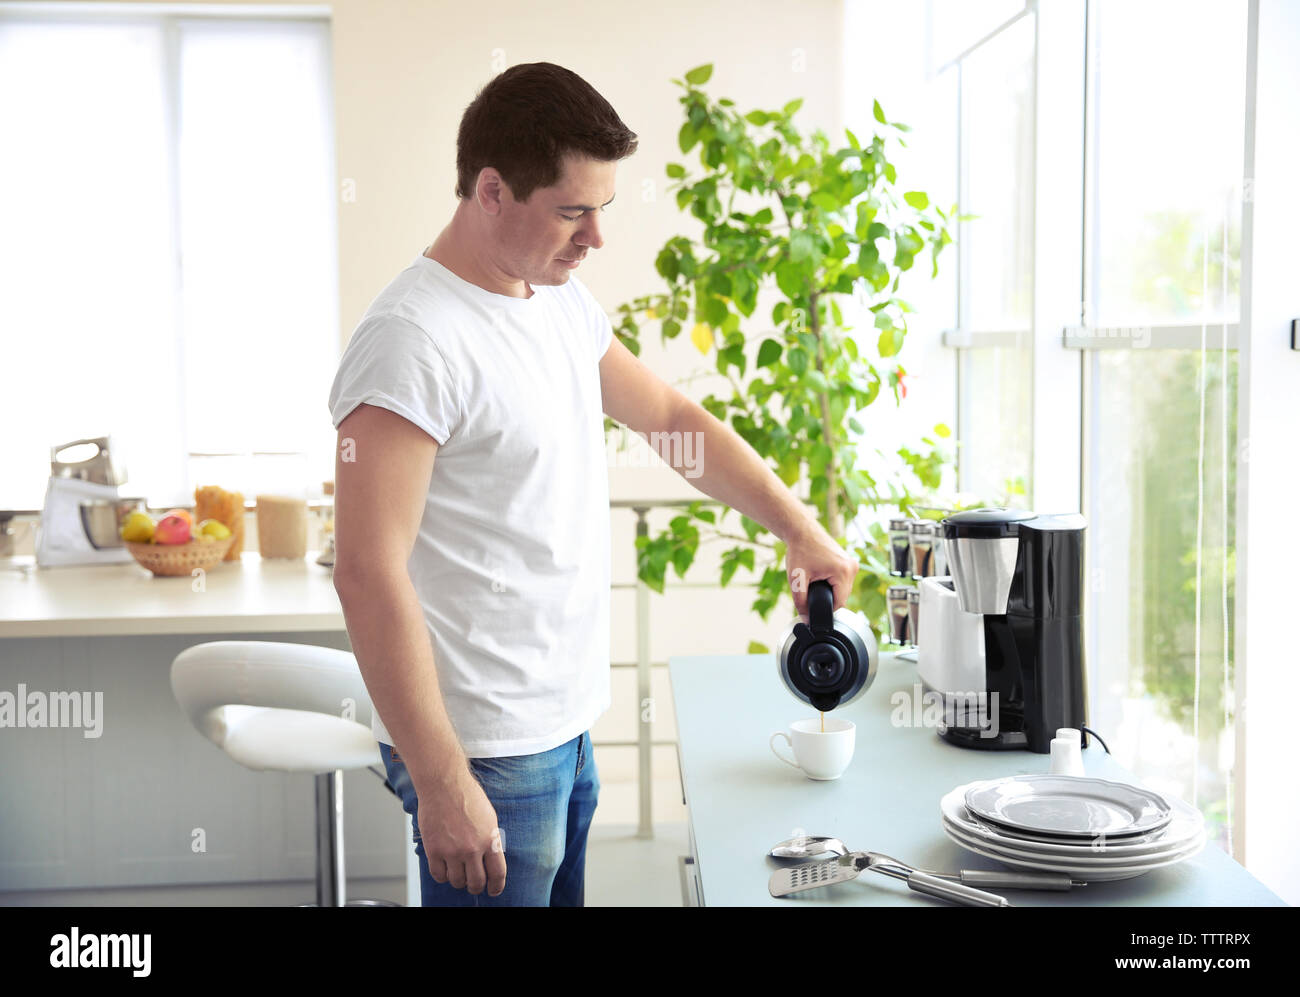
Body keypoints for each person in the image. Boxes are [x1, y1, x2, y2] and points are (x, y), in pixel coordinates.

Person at [327, 61, 856, 907]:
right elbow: (365, 570)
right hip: (483, 748)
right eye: (574, 211)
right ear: (491, 190)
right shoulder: (411, 340)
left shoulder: (556, 301)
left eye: (602, 209)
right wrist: (442, 781)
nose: (596, 238)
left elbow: (669, 420)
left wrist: (797, 525)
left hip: (562, 726)